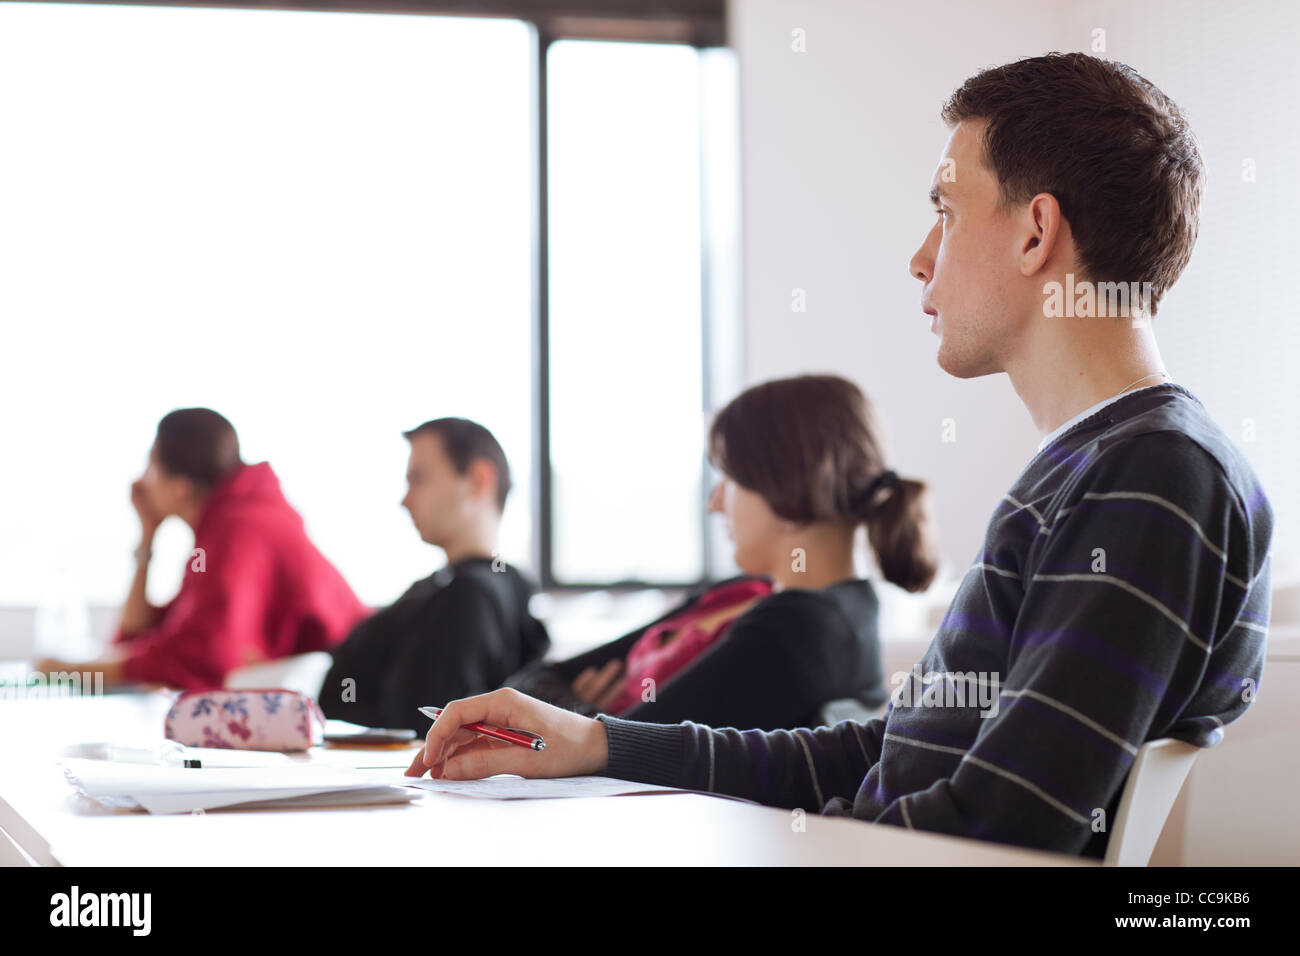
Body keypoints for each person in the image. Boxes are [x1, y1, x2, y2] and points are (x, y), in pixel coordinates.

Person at [404, 53, 1274, 860]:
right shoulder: (1105, 468)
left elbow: (1010, 825)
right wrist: (595, 742)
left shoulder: (1153, 477)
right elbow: (885, 755)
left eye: (944, 209)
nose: (920, 257)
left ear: (1035, 232)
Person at [504, 373, 940, 731]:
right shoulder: (747, 593)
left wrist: (582, 713)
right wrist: (585, 717)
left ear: (787, 495)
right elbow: (532, 684)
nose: (714, 503)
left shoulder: (802, 627)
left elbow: (620, 749)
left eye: (729, 480)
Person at [36, 408, 369, 690]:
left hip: (354, 692)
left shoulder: (240, 527)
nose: (141, 482)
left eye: (151, 467)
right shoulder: (223, 524)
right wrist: (147, 537)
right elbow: (139, 636)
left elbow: (205, 657)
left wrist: (80, 672)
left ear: (179, 488)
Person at [319, 418, 549, 735]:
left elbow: (421, 727)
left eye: (418, 479)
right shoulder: (492, 588)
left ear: (479, 480)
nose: (405, 500)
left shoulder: (468, 595)